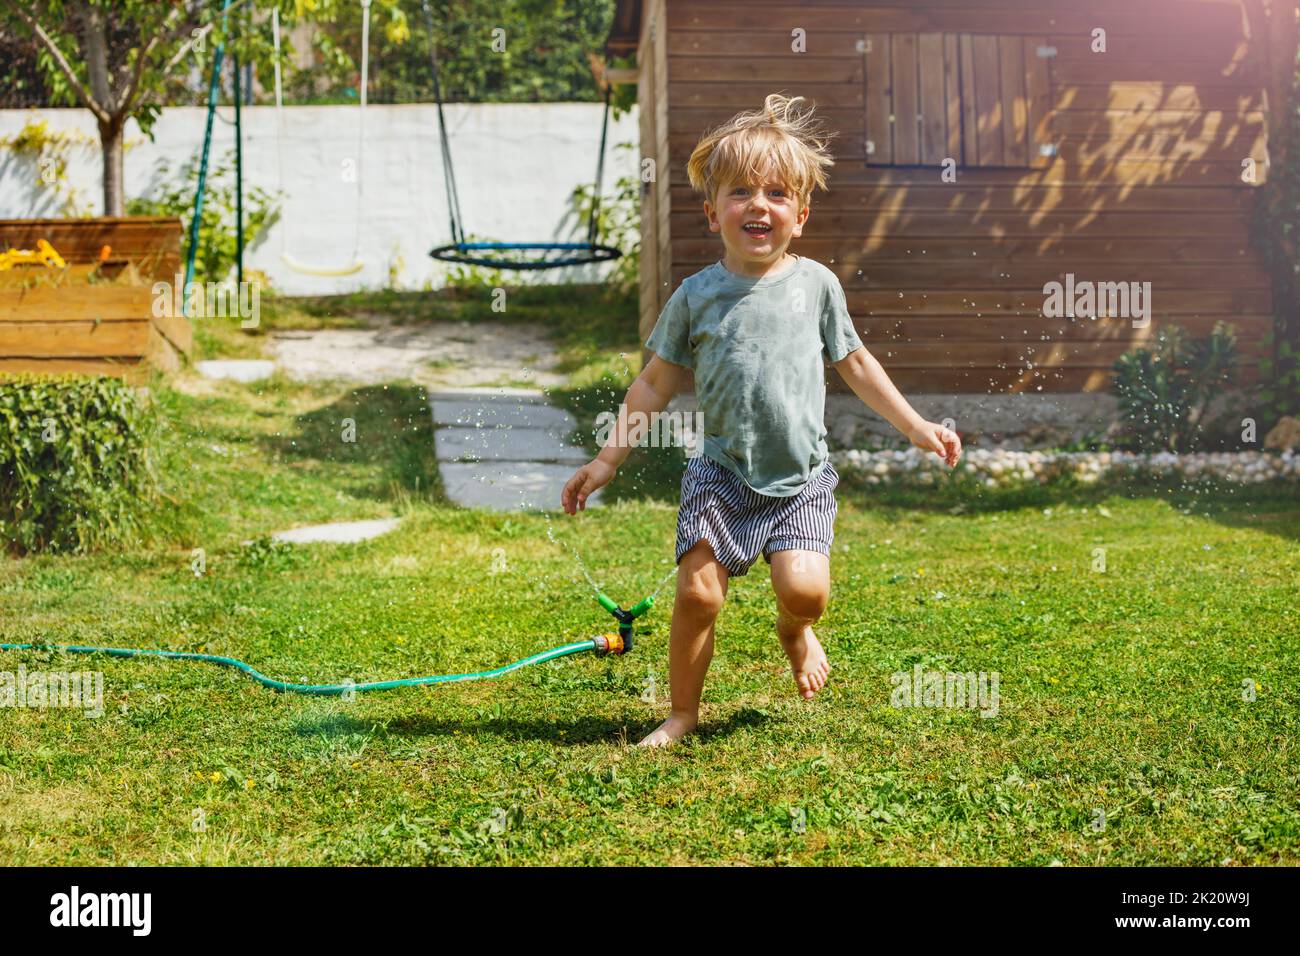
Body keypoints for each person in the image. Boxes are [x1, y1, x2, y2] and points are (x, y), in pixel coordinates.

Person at [561, 94, 962, 747]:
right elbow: (654, 382)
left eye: (777, 193)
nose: (758, 204)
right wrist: (607, 459)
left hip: (800, 480)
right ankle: (683, 714)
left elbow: (856, 364)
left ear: (800, 216)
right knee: (698, 596)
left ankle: (795, 630)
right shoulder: (696, 295)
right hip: (720, 476)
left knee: (805, 593)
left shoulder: (817, 287)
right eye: (741, 190)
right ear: (711, 210)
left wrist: (916, 427)